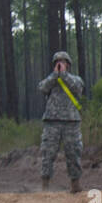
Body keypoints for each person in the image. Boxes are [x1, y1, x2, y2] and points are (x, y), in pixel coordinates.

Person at [38, 50, 85, 193]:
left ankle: (75, 184)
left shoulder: (75, 79)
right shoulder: (50, 80)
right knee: (48, 153)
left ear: (68, 65)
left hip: (71, 121)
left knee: (73, 153)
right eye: (57, 62)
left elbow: (78, 89)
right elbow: (42, 88)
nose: (60, 64)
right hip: (52, 121)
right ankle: (45, 185)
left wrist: (64, 75)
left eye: (63, 61)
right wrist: (55, 76)